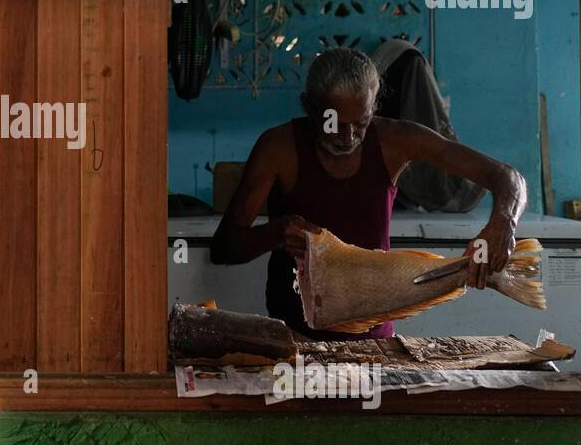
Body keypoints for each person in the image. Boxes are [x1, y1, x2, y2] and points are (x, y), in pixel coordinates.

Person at [209, 47, 527, 339]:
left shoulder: (396, 141)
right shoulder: (278, 149)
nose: (348, 137)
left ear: (374, 107)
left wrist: (503, 221)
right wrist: (276, 233)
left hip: (374, 342)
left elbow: (507, 178)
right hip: (294, 337)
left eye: (360, 122)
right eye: (333, 123)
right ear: (309, 107)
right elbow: (223, 248)